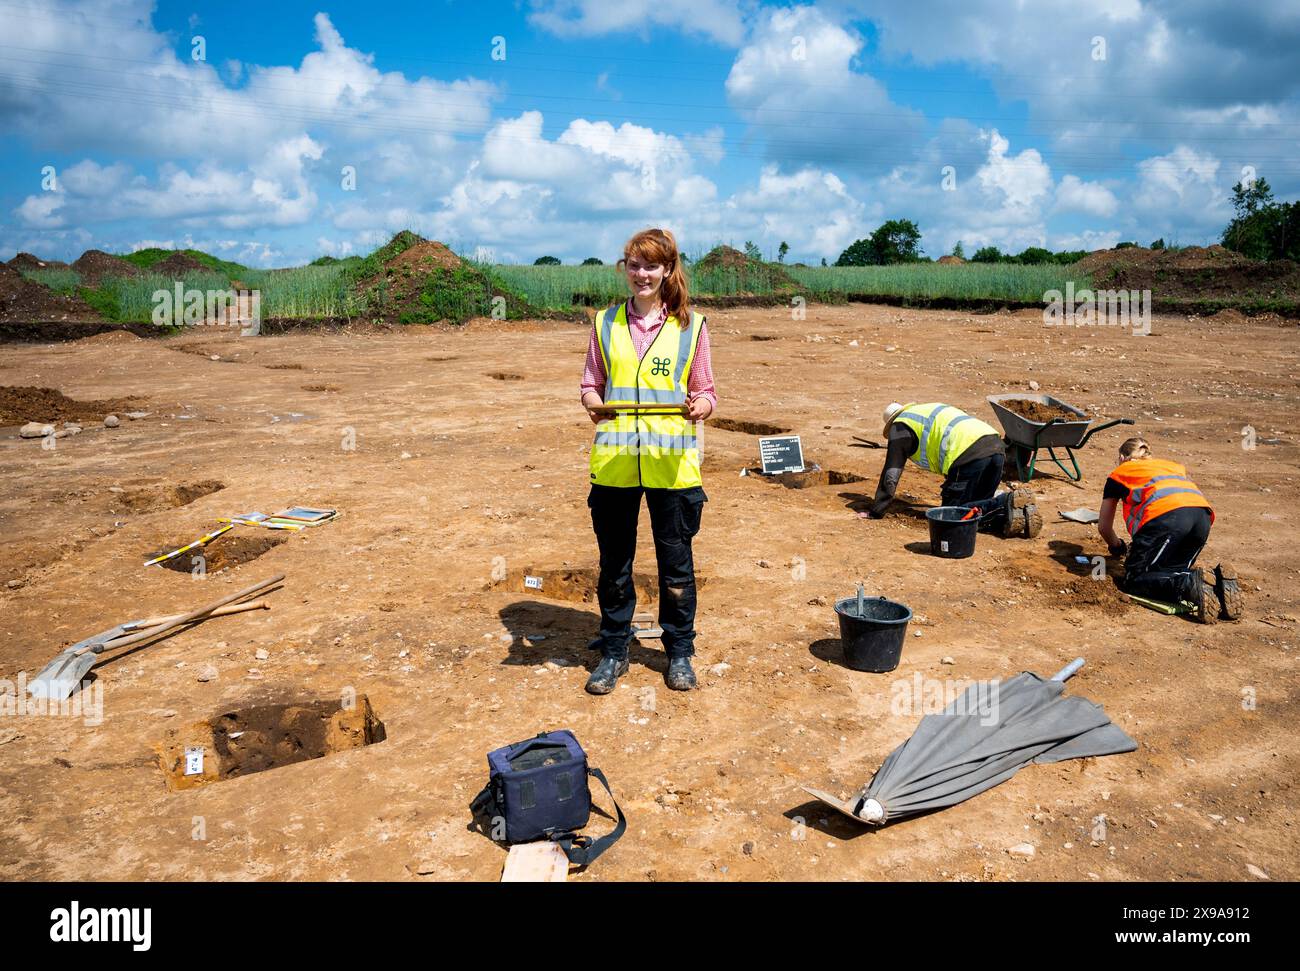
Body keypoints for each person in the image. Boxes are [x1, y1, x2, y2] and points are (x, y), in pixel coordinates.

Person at [578, 228, 716, 695]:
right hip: (617, 463)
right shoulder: (604, 323)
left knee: (676, 566)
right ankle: (615, 651)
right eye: (634, 265)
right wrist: (592, 401)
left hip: (671, 466)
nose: (642, 274)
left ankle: (679, 652)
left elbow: (705, 390)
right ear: (625, 269)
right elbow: (590, 384)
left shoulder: (691, 327)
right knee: (614, 564)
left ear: (667, 270)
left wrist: (702, 406)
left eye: (651, 266)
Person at [1098, 437, 1242, 623]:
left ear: (1121, 457)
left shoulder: (1120, 473)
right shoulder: (1171, 466)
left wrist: (1117, 547)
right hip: (1202, 518)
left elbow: (1104, 527)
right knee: (1171, 570)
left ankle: (1190, 583)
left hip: (1166, 518)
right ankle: (1220, 584)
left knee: (1134, 581)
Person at [866, 401, 1041, 537]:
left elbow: (891, 472)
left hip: (968, 454)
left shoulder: (900, 426)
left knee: (949, 517)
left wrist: (877, 510)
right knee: (974, 513)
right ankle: (1013, 515)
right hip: (995, 447)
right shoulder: (925, 411)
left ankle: (1006, 501)